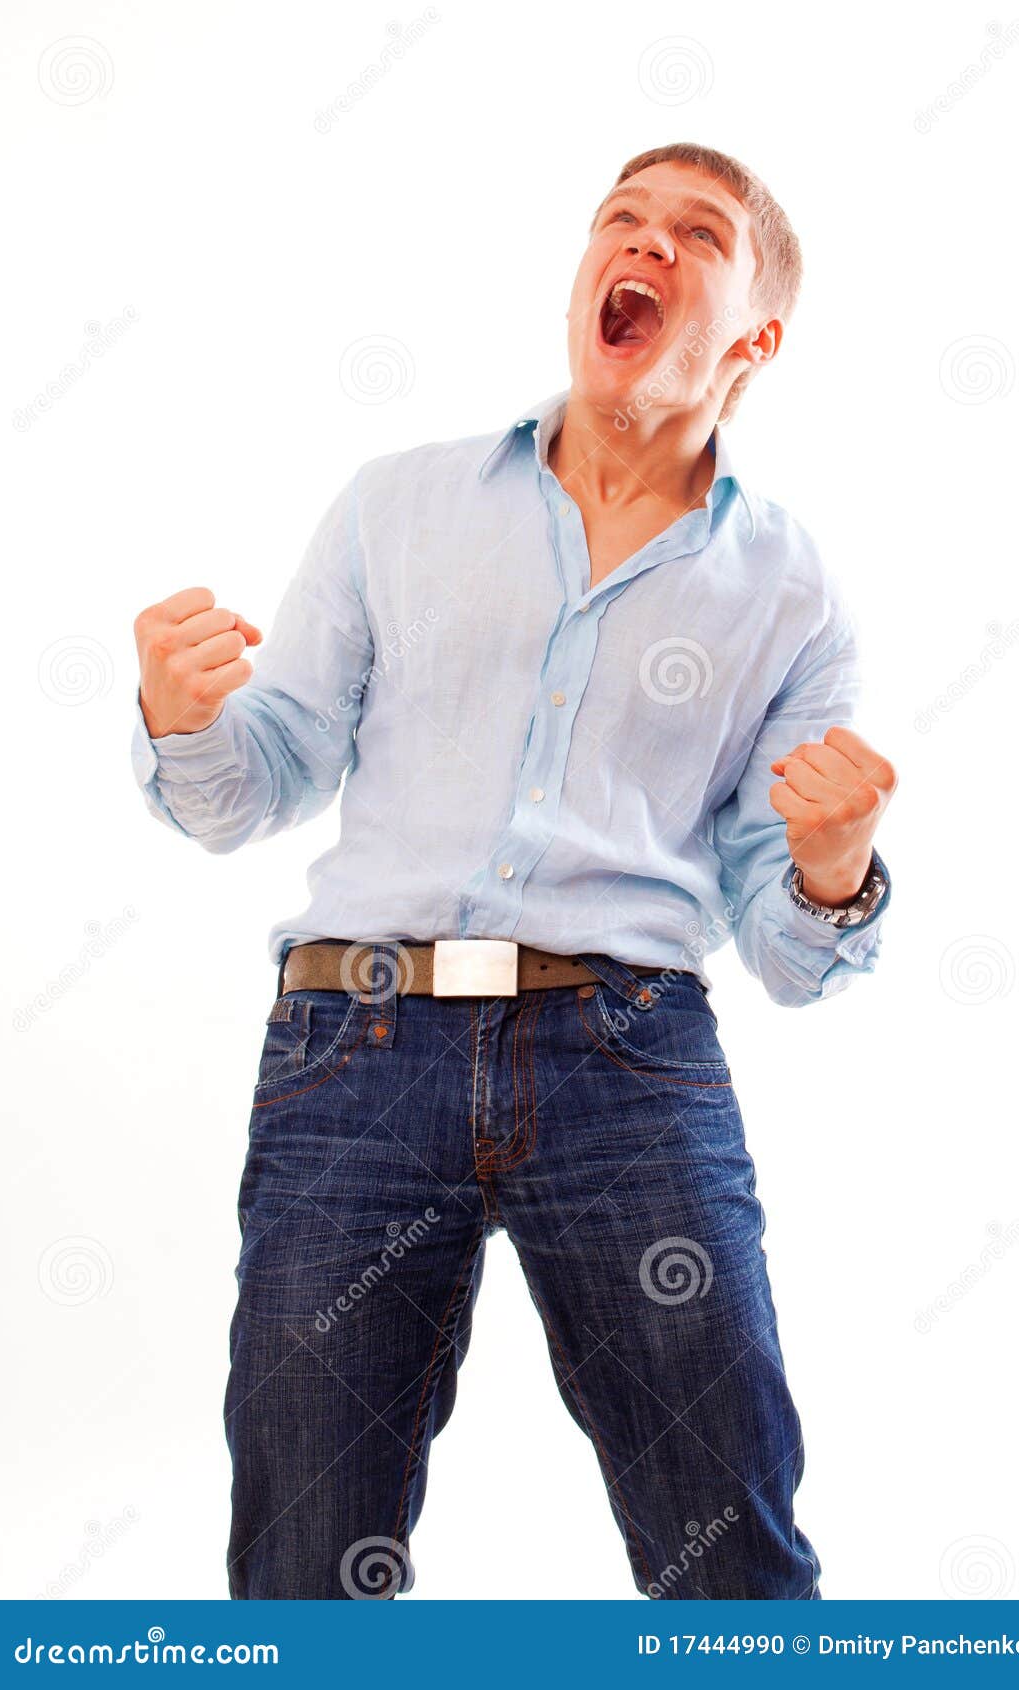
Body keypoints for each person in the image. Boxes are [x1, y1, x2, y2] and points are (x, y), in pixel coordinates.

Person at [130, 141, 898, 1600]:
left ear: (758, 337)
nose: (647, 246)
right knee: (301, 1556)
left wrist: (833, 868)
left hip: (627, 1061)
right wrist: (183, 715)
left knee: (733, 1556)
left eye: (696, 235)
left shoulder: (793, 592)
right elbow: (262, 778)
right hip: (354, 1043)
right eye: (624, 222)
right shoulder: (397, 503)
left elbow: (789, 945)